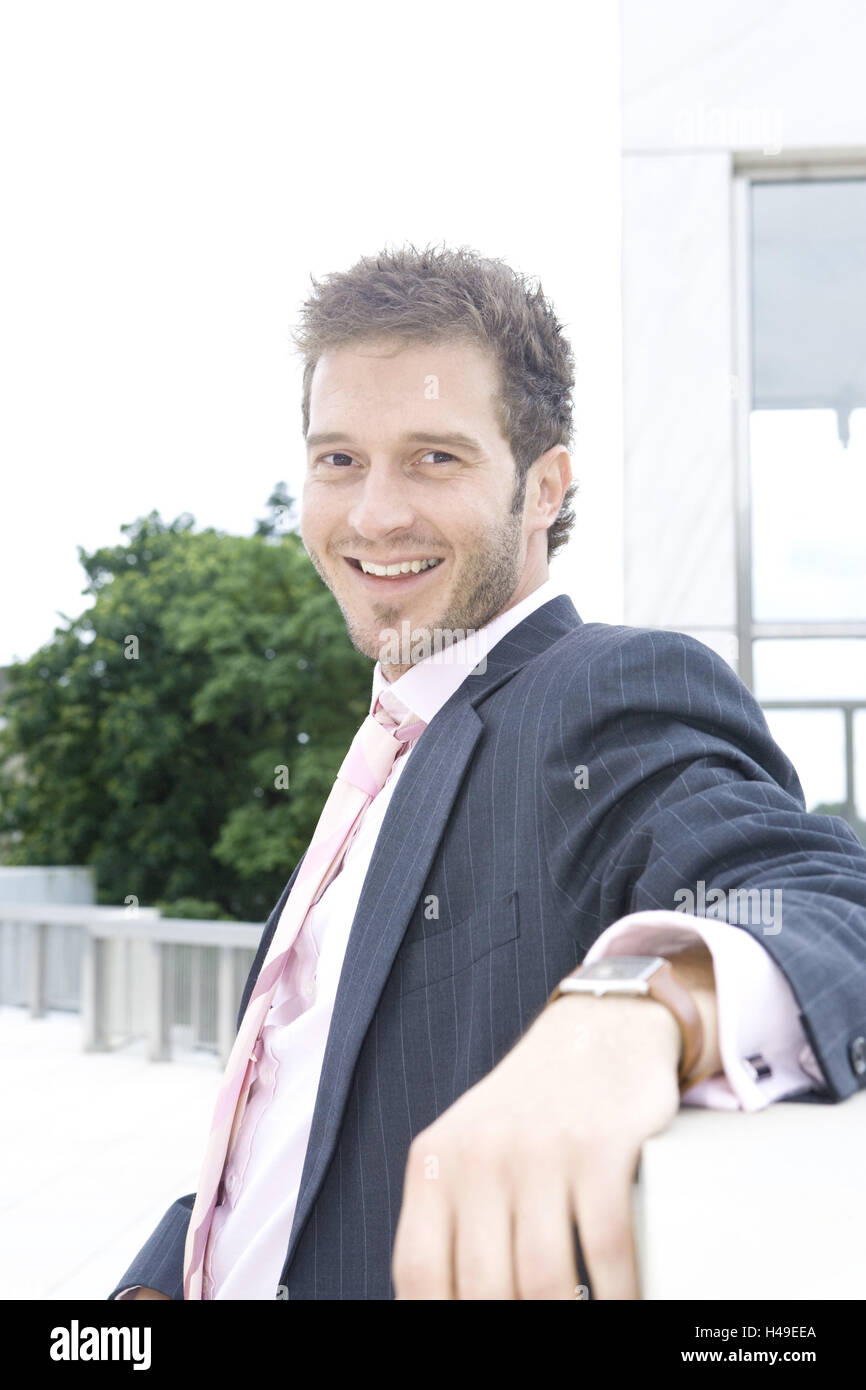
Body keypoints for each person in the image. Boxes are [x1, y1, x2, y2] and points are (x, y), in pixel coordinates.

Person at [110, 245, 866, 1301]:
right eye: (338, 460)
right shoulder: (388, 754)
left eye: (432, 458)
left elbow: (821, 896)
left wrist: (627, 1004)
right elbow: (295, 1128)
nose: (373, 514)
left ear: (541, 487)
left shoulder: (599, 695)